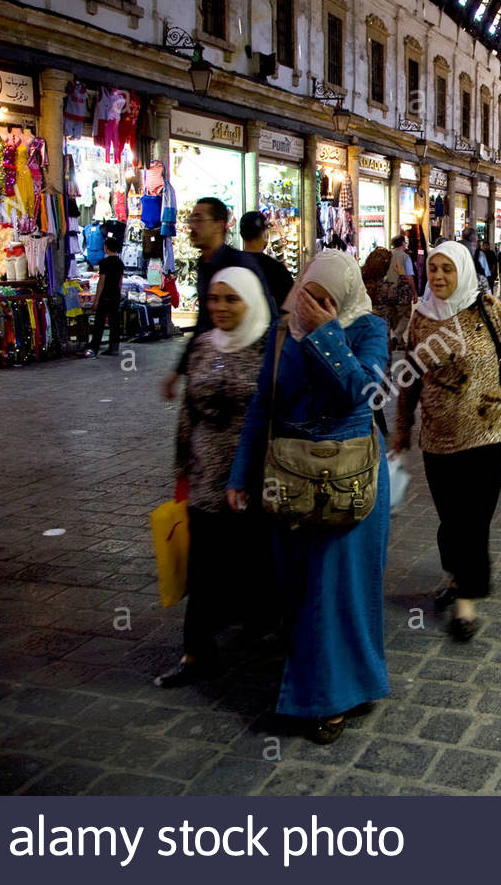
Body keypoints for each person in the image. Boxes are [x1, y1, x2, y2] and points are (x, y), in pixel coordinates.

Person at [227, 252, 391, 744]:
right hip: (290, 473)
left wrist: (325, 335)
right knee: (300, 588)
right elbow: (264, 405)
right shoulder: (281, 333)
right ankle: (331, 683)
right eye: (308, 295)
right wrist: (240, 473)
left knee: (338, 589)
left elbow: (362, 391)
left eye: (325, 301)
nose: (313, 305)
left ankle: (329, 699)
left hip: (349, 476)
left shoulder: (368, 329)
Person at [395, 241, 501, 642]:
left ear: (464, 272)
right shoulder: (421, 318)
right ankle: (457, 575)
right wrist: (403, 425)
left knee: (473, 519)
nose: (438, 276)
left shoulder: (490, 311)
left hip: (488, 433)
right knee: (450, 518)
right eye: (433, 269)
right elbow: (409, 377)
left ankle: (465, 603)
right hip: (438, 436)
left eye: (447, 270)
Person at [155, 267, 272, 687]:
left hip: (254, 480)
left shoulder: (269, 348)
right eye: (214, 299)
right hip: (207, 479)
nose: (220, 308)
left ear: (250, 301)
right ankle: (195, 653)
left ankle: (261, 637)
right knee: (202, 568)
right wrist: (182, 472)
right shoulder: (203, 345)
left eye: (230, 299)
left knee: (256, 561)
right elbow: (188, 415)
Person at [161, 197, 275, 401]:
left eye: (199, 219)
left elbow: (269, 318)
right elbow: (202, 323)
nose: (192, 226)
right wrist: (179, 371)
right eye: (191, 220)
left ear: (219, 225)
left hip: (243, 375)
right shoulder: (204, 265)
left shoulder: (239, 264)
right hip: (211, 370)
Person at [83, 220, 125, 357]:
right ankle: (114, 348)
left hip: (105, 295)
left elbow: (102, 281)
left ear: (106, 248)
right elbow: (120, 280)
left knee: (99, 323)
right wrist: (119, 293)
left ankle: (94, 347)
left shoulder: (104, 262)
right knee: (114, 323)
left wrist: (96, 299)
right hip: (115, 295)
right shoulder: (119, 262)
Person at [239, 210, 293, 311]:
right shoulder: (277, 270)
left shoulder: (232, 265)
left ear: (241, 234)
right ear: (265, 234)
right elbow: (288, 310)